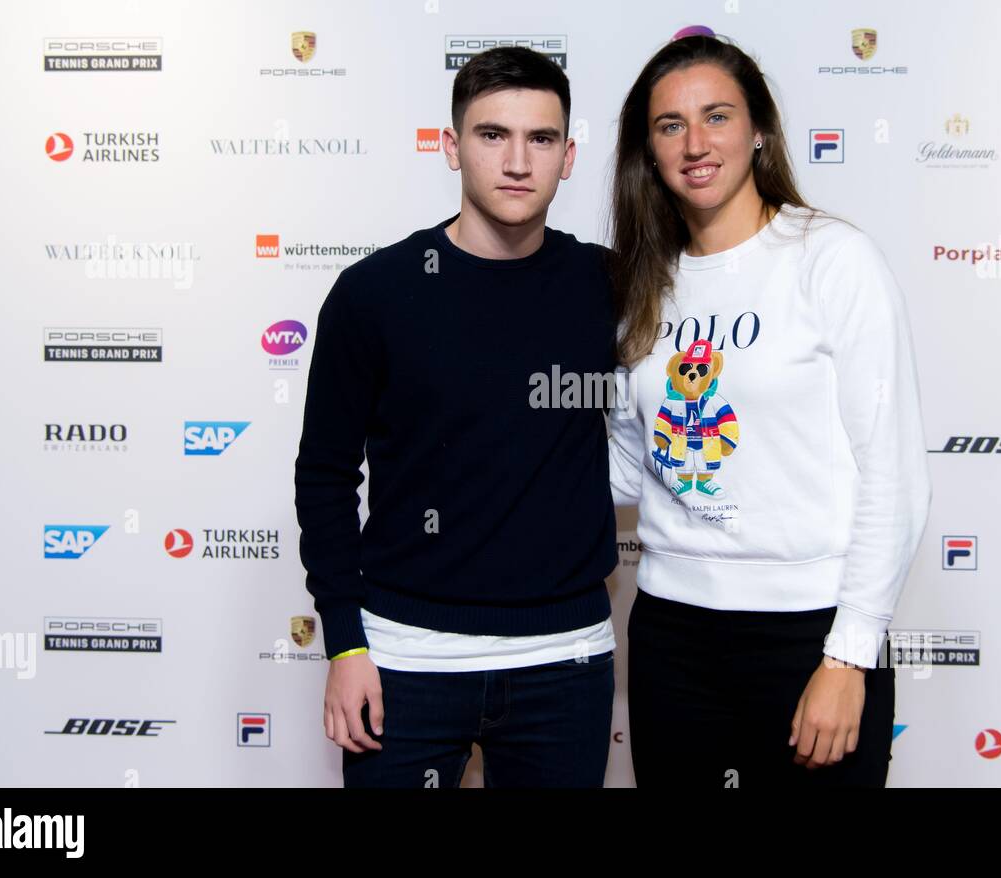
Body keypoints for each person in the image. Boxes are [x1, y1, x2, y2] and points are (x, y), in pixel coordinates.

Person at [606, 33, 932, 788]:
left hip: (809, 636)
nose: (695, 143)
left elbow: (893, 475)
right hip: (670, 637)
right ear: (646, 151)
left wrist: (848, 655)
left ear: (759, 131)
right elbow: (627, 467)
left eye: (716, 116)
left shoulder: (831, 258)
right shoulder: (641, 286)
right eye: (669, 125)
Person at [294, 46, 618, 788]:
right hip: (405, 664)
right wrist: (345, 645)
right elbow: (325, 477)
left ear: (568, 158)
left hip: (563, 665)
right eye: (491, 134)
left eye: (540, 139)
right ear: (450, 146)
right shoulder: (374, 294)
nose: (516, 161)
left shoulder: (606, 285)